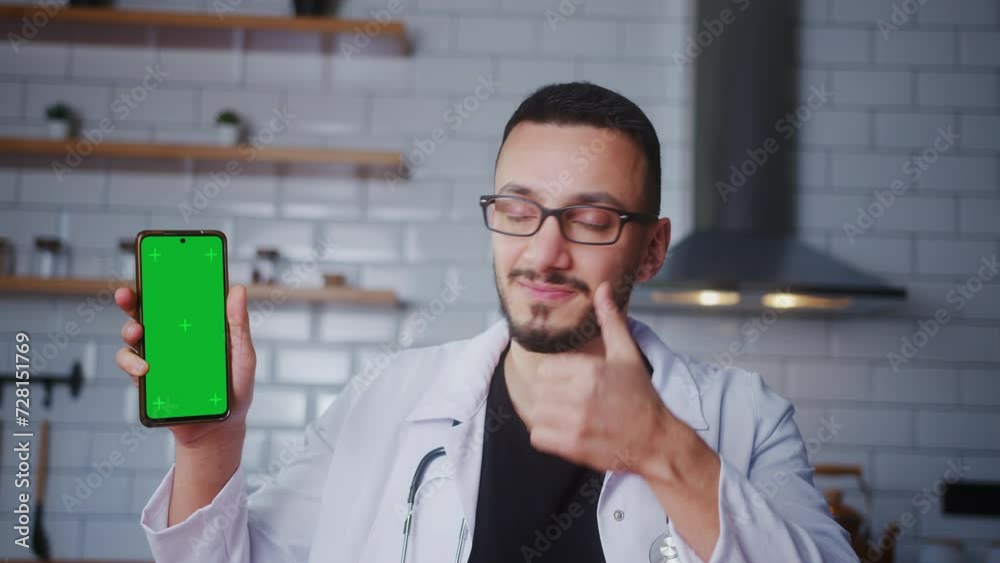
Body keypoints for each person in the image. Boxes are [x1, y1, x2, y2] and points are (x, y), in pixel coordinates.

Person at [115, 82, 858, 563]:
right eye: (517, 209)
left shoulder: (745, 419)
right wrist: (208, 446)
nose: (544, 249)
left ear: (653, 247)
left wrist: (667, 449)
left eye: (592, 218)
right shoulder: (387, 398)